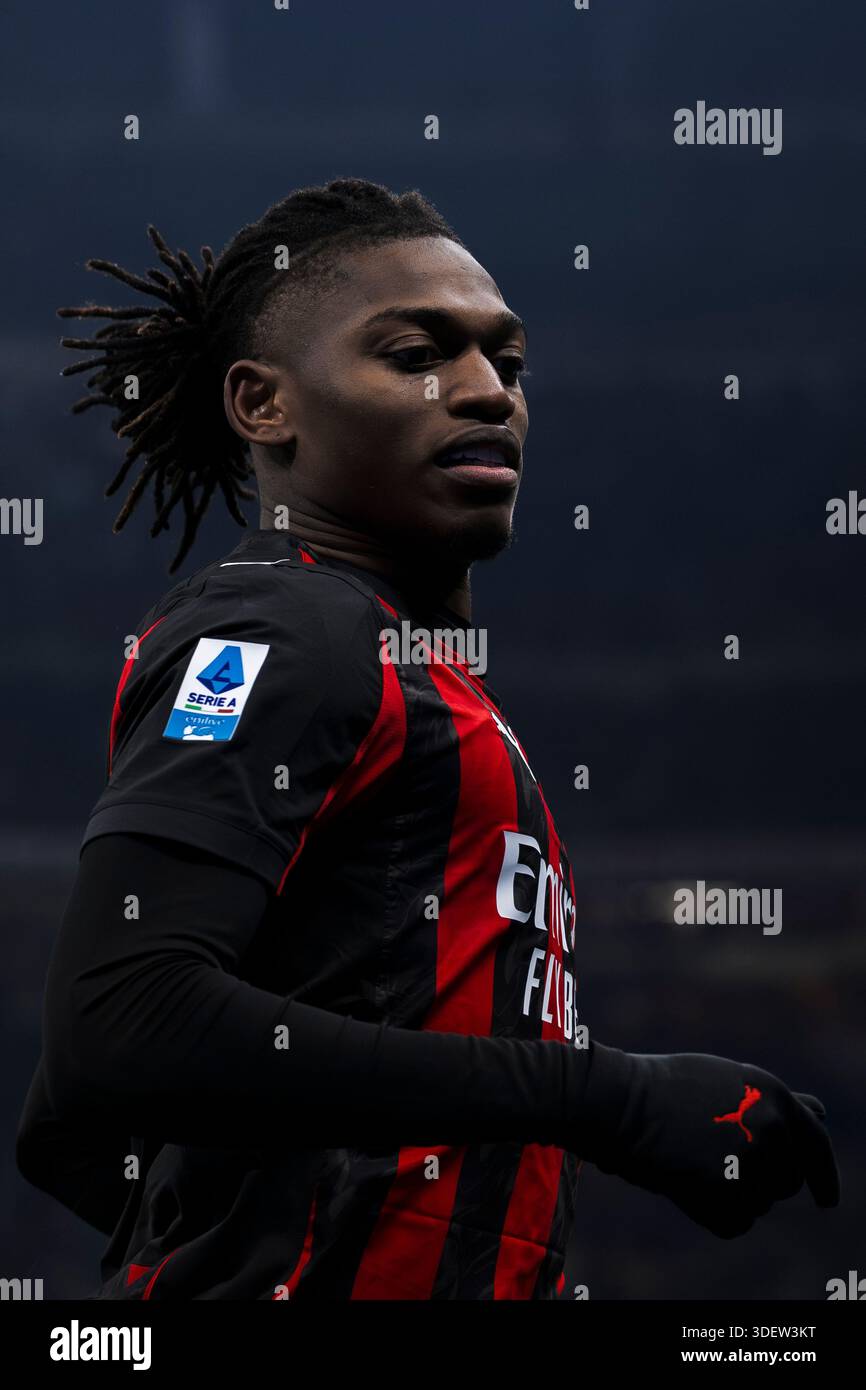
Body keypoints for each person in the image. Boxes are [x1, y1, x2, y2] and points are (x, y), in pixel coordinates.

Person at [16, 177, 839, 1301]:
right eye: (416, 354)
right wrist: (611, 1098)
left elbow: (63, 1135)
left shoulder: (413, 672)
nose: (486, 392)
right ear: (265, 406)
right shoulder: (282, 623)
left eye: (508, 363)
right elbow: (118, 1025)